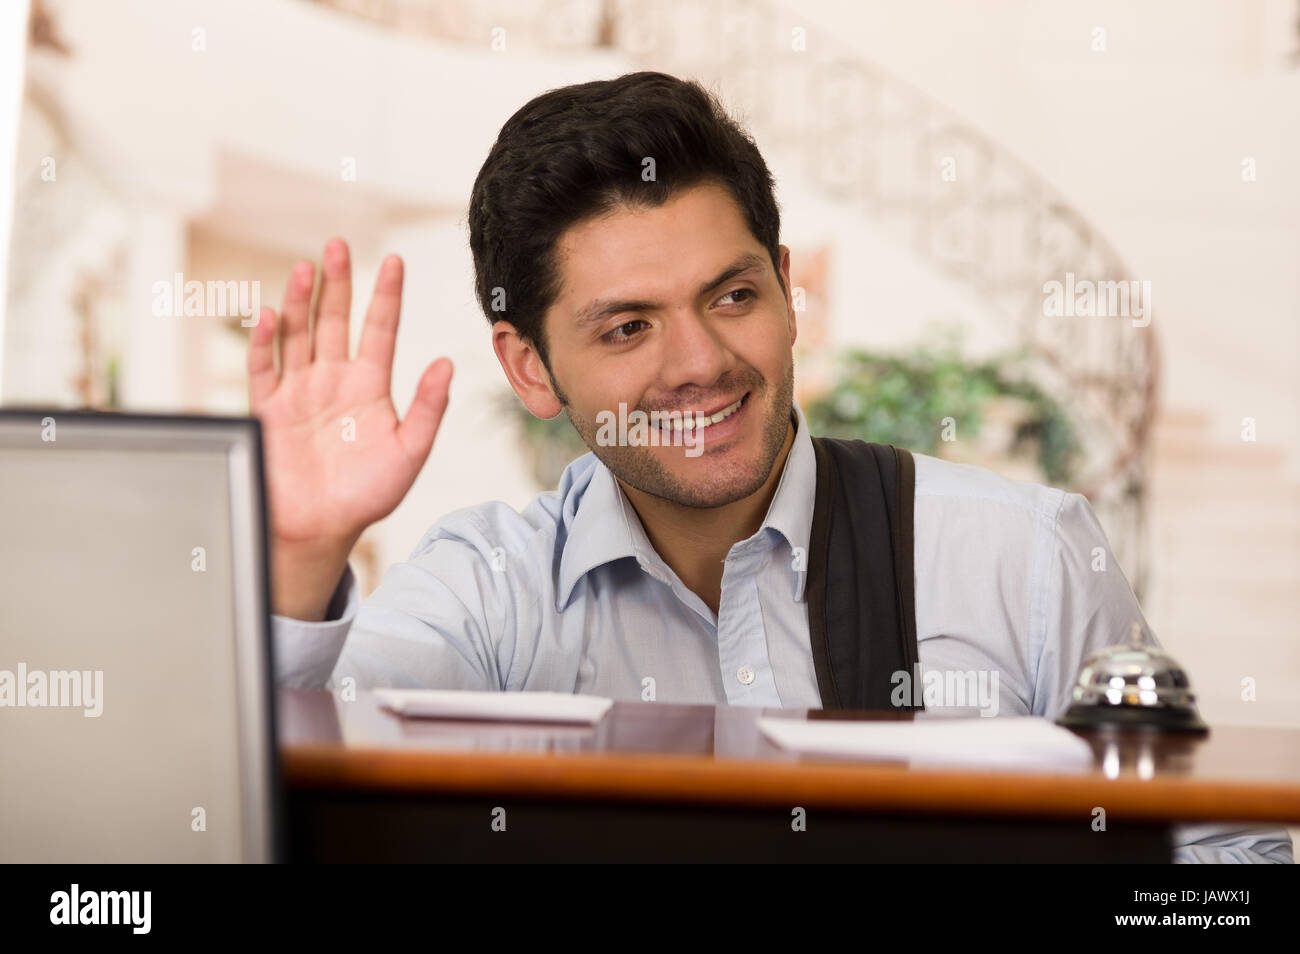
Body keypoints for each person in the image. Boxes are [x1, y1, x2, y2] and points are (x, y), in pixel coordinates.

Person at [250, 71, 1292, 863]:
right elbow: (278, 817)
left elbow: (1221, 866)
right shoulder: (484, 592)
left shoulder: (1019, 555)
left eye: (733, 295)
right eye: (626, 327)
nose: (700, 362)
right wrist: (299, 556)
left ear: (789, 292)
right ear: (529, 367)